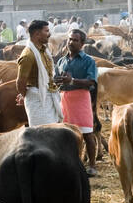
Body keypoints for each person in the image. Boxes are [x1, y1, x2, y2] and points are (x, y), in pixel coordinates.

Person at [55, 29, 100, 175]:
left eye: (75, 40)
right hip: (64, 98)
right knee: (65, 133)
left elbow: (91, 82)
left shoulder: (88, 61)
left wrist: (72, 80)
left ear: (82, 44)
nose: (71, 42)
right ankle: (69, 163)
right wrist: (57, 81)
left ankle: (92, 166)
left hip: (81, 98)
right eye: (70, 39)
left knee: (87, 133)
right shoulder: (62, 61)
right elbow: (55, 79)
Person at [15, 19, 62, 127]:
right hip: (37, 100)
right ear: (37, 34)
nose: (49, 34)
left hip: (49, 97)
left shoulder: (44, 51)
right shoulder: (28, 55)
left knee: (53, 132)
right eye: (46, 31)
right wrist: (27, 96)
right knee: (42, 135)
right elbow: (20, 82)